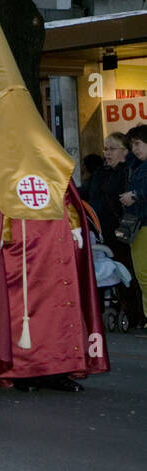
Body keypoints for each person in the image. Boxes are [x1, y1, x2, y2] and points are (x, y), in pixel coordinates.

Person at [0, 0, 107, 392]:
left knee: (56, 309)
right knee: (20, 310)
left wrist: (73, 223)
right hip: (11, 246)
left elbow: (62, 187)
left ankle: (56, 367)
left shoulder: (41, 140)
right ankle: (18, 369)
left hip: (52, 245)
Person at [90, 131, 145, 328]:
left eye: (112, 148)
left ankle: (136, 314)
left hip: (123, 230)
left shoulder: (128, 172)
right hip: (101, 232)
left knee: (131, 273)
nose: (107, 153)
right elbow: (86, 193)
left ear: (124, 152)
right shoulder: (99, 173)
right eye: (106, 149)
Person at [120, 126, 147, 327]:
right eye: (132, 145)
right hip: (139, 226)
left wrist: (135, 195)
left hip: (142, 225)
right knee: (142, 274)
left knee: (143, 273)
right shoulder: (136, 165)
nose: (134, 149)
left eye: (137, 144)